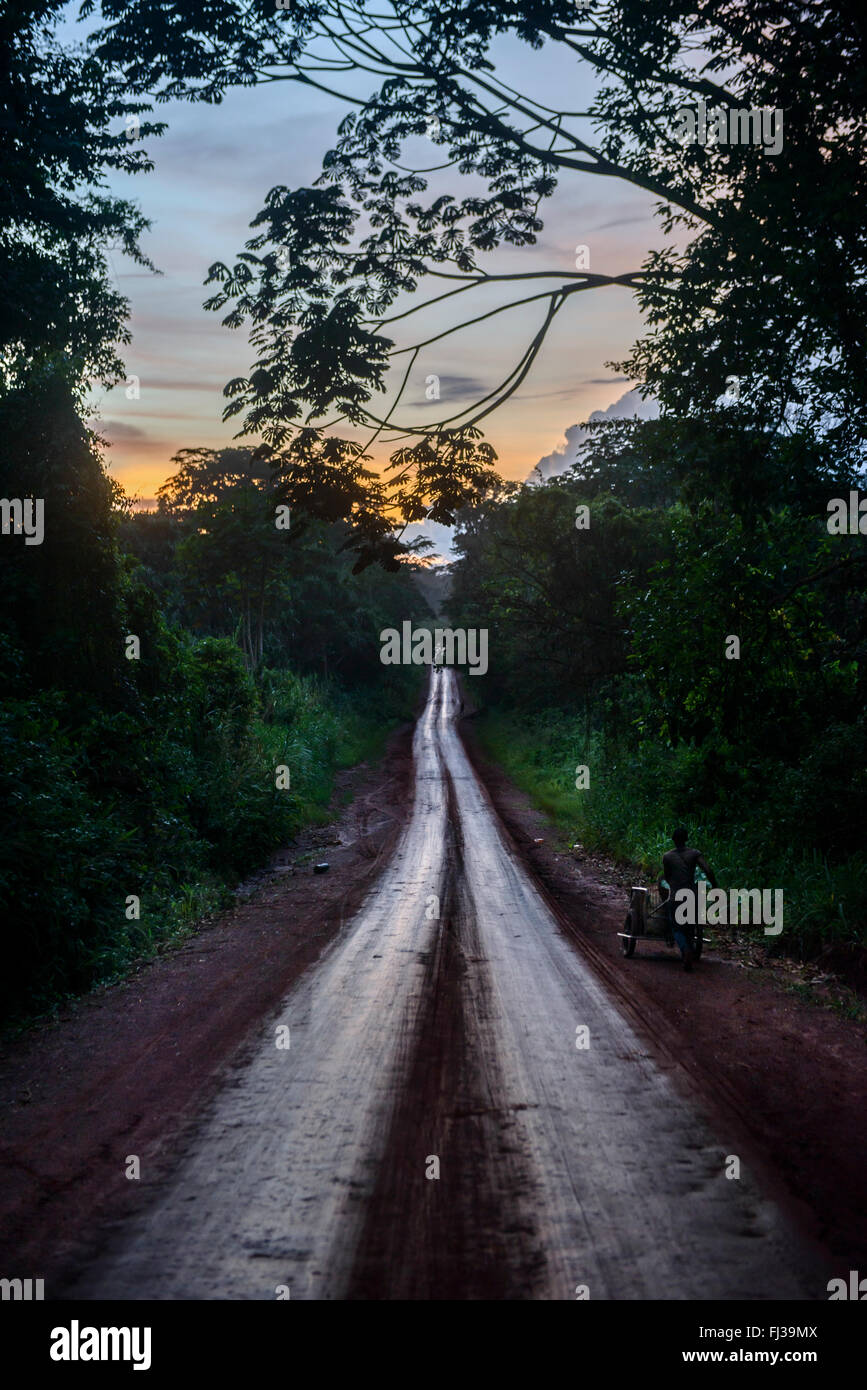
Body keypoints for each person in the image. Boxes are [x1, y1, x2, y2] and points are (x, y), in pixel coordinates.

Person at [659, 827, 717, 972]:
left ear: (673, 840)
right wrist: (715, 886)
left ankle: (685, 950)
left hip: (676, 896)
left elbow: (667, 876)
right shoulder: (694, 854)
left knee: (676, 927)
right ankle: (690, 949)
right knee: (691, 925)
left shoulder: (667, 857)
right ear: (686, 839)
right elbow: (708, 870)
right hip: (691, 895)